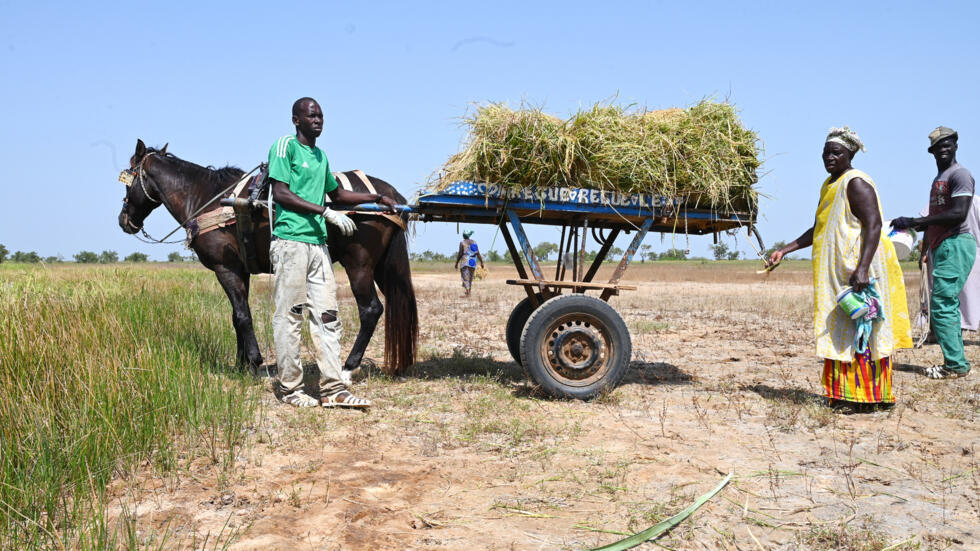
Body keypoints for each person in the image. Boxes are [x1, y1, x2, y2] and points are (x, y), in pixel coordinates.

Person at [768, 127, 912, 408]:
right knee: (843, 329)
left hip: (858, 271)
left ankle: (866, 397)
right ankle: (844, 395)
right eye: (826, 153)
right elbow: (819, 227)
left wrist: (863, 268)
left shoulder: (856, 183)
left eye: (836, 153)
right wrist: (784, 250)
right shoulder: (829, 184)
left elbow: (874, 224)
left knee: (863, 329)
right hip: (839, 274)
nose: (829, 157)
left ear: (850, 155)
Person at [268, 97, 396, 407]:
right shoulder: (285, 147)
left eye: (321, 116)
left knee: (328, 316)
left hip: (318, 245)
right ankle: (291, 389)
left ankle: (333, 389)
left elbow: (336, 193)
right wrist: (324, 212)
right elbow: (281, 193)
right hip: (291, 242)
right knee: (290, 316)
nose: (318, 120)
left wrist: (376, 197)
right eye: (311, 116)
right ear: (296, 120)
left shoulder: (321, 156)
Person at [892, 127, 976, 379]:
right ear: (932, 151)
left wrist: (916, 222)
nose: (944, 149)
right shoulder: (940, 177)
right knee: (945, 303)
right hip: (942, 244)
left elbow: (958, 213)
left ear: (956, 146)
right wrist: (922, 239)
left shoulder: (960, 174)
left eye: (948, 144)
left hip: (956, 241)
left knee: (942, 304)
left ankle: (955, 365)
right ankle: (956, 360)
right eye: (939, 146)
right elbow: (937, 215)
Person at [453, 230, 484, 297]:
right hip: (473, 262)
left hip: (465, 261)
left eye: (463, 234)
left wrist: (456, 263)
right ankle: (469, 291)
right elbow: (478, 253)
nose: (462, 235)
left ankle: (468, 292)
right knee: (470, 277)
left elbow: (460, 254)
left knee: (465, 277)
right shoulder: (474, 242)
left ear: (465, 235)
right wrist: (482, 262)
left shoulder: (462, 242)